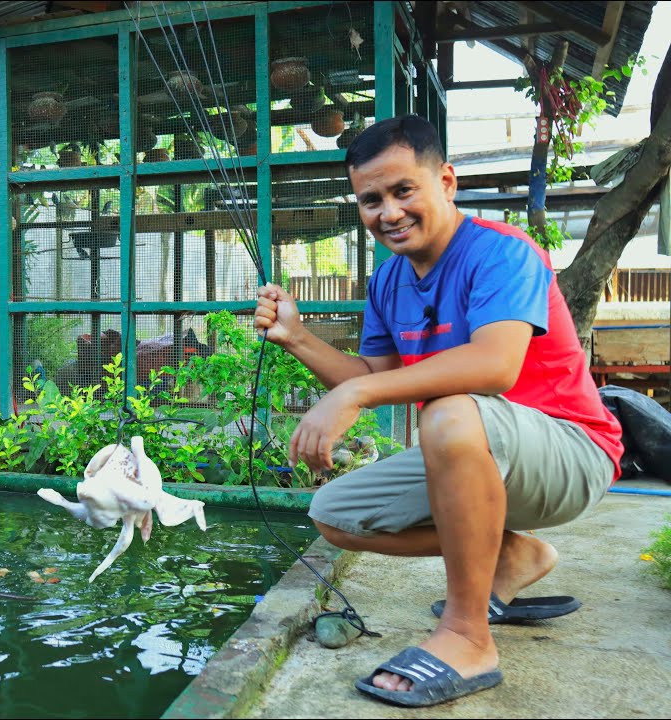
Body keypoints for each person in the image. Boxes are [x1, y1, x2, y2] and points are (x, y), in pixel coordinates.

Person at [254, 114, 622, 707]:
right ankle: (511, 554)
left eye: (403, 191)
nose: (388, 212)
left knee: (446, 414)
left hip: (571, 454)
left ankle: (466, 636)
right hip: (476, 450)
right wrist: (298, 338)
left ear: (446, 182)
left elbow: (495, 365)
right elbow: (375, 376)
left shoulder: (502, 251)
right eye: (370, 200)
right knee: (335, 515)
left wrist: (352, 396)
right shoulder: (388, 281)